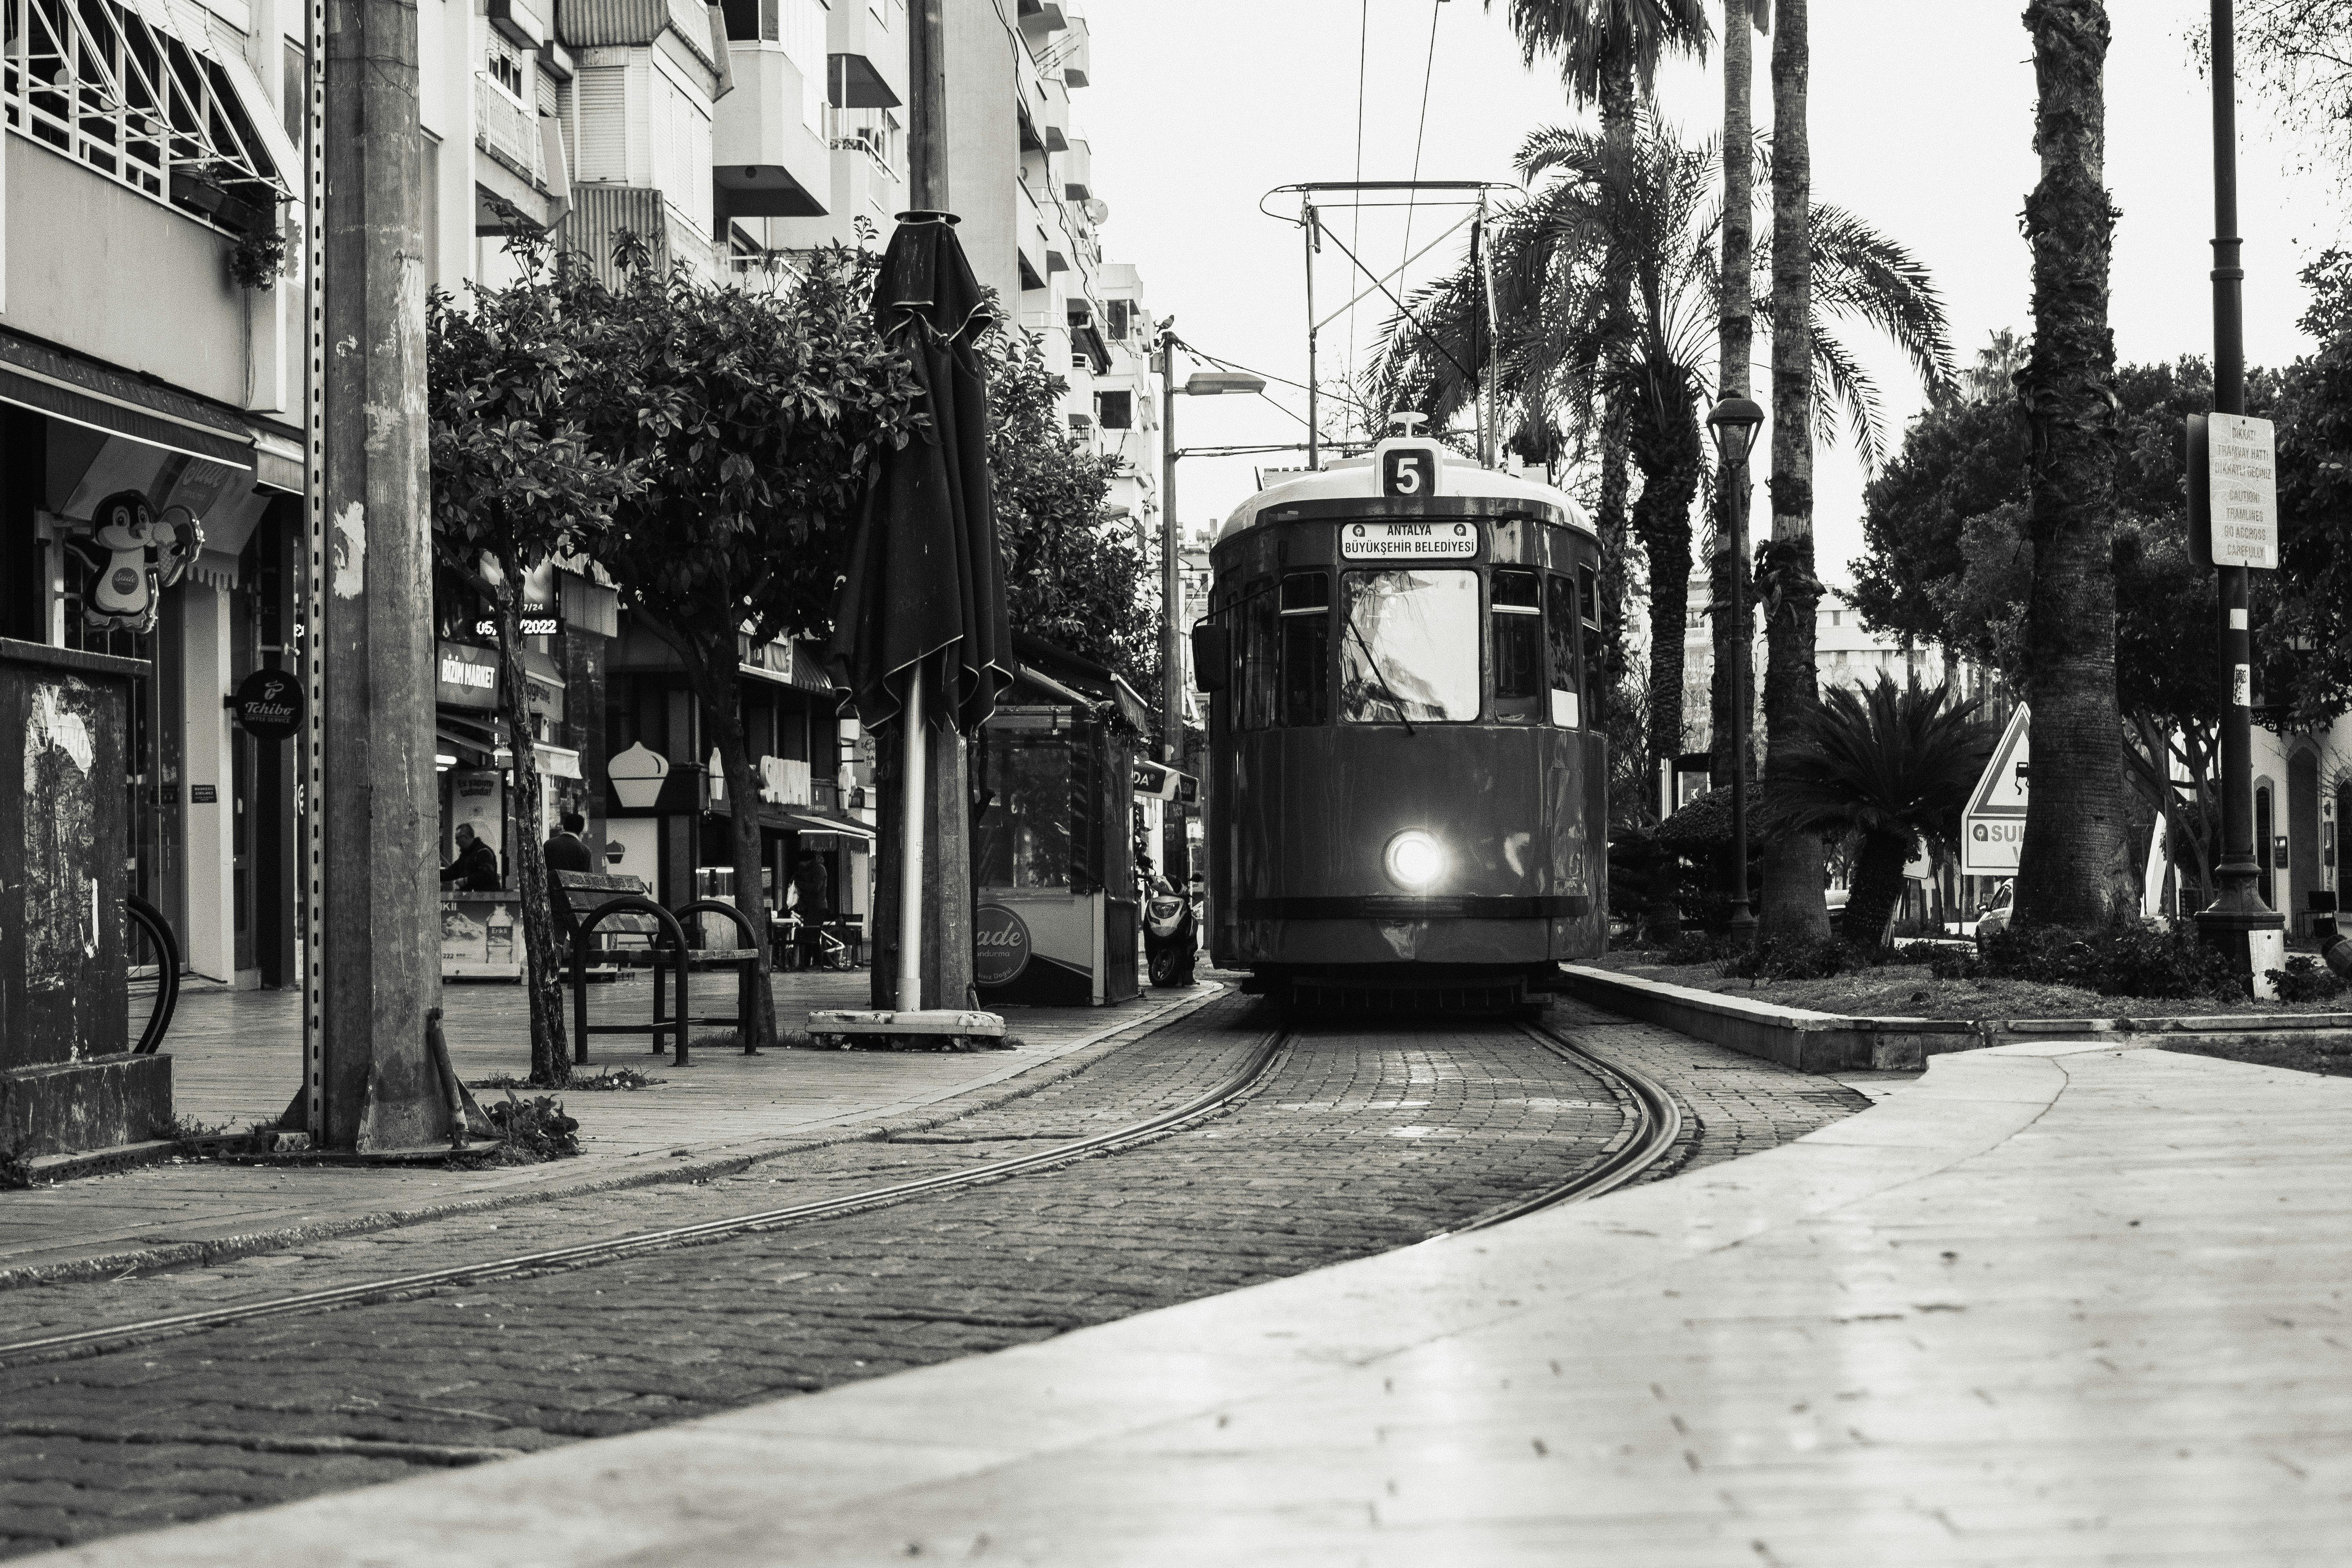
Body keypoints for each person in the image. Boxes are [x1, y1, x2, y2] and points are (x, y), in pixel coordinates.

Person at [544, 811, 594, 953]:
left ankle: (554, 972)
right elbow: (588, 882)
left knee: (556, 943)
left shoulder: (549, 846)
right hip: (575, 907)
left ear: (564, 827)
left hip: (553, 904)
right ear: (581, 830)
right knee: (578, 943)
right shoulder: (585, 851)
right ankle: (576, 972)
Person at [790, 849, 832, 967]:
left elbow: (815, 888)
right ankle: (811, 962)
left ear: (806, 861)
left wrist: (800, 884)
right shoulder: (809, 870)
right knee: (811, 934)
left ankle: (816, 962)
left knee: (811, 935)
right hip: (810, 907)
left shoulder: (818, 869)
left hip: (817, 907)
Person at [441, 822, 502, 892]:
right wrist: (433, 874)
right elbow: (451, 872)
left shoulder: (483, 852)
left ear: (466, 837)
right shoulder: (466, 855)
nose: (456, 842)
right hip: (474, 898)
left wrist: (466, 881)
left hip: (486, 898)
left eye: (458, 838)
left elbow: (487, 875)